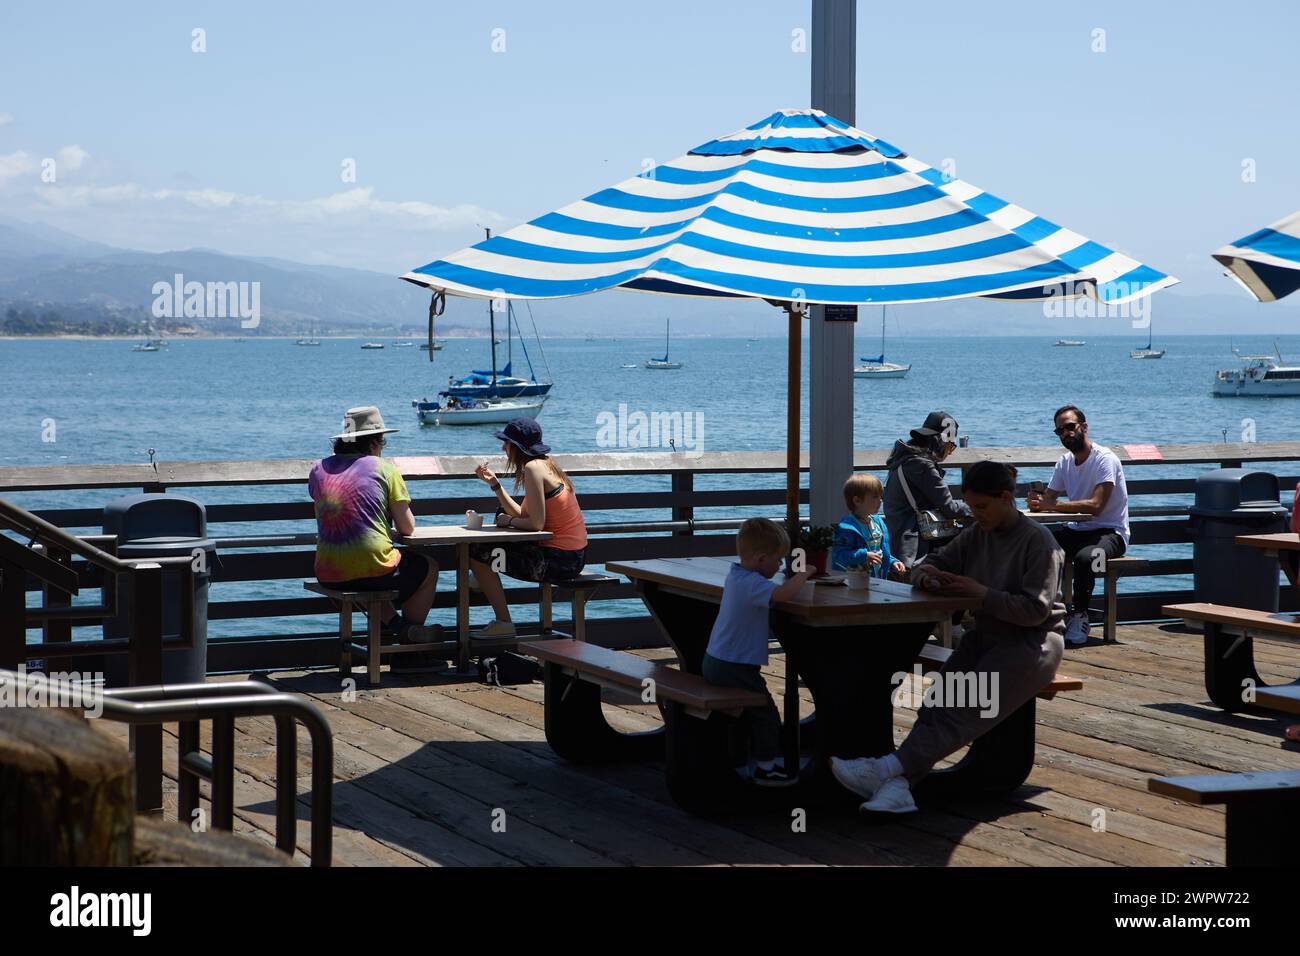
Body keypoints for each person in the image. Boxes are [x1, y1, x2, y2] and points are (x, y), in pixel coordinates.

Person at [830, 461, 1065, 814]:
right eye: (971, 507)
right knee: (938, 702)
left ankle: (885, 770)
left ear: (1006, 498)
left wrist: (980, 594)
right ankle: (899, 788)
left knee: (966, 706)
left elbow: (1035, 610)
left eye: (982, 506)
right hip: (986, 634)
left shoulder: (1039, 542)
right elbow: (933, 561)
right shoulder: (978, 534)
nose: (976, 514)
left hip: (1032, 643)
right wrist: (927, 577)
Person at [308, 406, 441, 669]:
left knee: (362, 576)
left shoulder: (318, 469)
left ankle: (399, 627)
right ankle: (409, 652)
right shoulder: (384, 469)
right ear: (373, 443)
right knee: (428, 568)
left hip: (328, 571)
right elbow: (408, 528)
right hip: (375, 572)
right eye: (381, 443)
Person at [701, 517, 813, 787]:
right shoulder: (753, 584)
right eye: (778, 560)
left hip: (716, 660)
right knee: (766, 713)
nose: (780, 566)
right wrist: (804, 574)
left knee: (742, 713)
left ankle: (739, 763)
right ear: (762, 559)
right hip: (734, 665)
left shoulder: (736, 576)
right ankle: (765, 767)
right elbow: (783, 595)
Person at [469, 418, 588, 639]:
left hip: (558, 561)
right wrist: (495, 485)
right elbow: (523, 515)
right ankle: (483, 575)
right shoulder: (546, 464)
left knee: (476, 554)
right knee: (486, 551)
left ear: (517, 446)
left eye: (506, 442)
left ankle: (503, 622)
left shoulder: (533, 468)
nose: (503, 448)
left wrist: (507, 521)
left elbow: (535, 524)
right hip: (573, 556)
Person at [1027, 405, 1130, 647]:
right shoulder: (1065, 461)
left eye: (1070, 427)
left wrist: (1051, 505)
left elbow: (1096, 506)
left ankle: (1080, 615)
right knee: (1034, 544)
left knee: (1087, 558)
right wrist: (1037, 502)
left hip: (1111, 533)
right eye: (1060, 431)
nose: (1066, 433)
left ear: (1084, 426)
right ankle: (1042, 610)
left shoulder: (1105, 459)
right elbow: (1050, 499)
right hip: (1077, 529)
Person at [883, 410, 973, 570]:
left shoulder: (902, 460)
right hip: (916, 550)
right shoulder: (923, 466)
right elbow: (950, 508)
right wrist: (977, 508)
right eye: (951, 446)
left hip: (897, 543)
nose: (949, 453)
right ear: (941, 442)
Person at [832, 473, 905, 578]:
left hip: (877, 580)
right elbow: (839, 556)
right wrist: (863, 555)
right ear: (857, 501)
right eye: (875, 497)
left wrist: (892, 562)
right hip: (855, 581)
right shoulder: (846, 528)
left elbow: (880, 552)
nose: (880, 500)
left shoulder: (878, 523)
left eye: (880, 496)